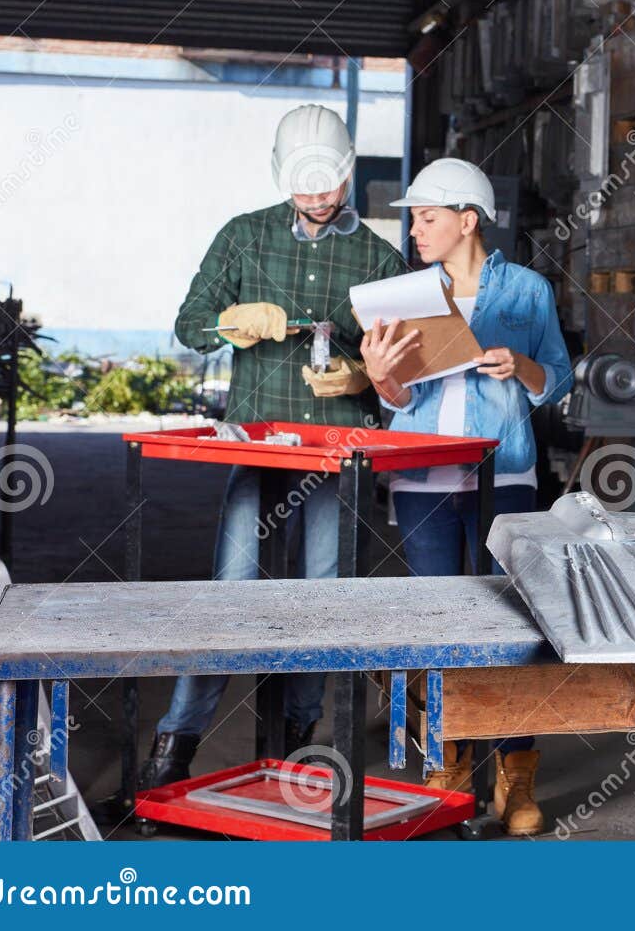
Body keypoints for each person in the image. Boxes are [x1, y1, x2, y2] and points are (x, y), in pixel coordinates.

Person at [141, 104, 406, 788]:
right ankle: (175, 745)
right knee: (232, 591)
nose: (317, 198)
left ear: (348, 171)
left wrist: (364, 375)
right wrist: (227, 322)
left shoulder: (380, 259)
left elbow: (406, 363)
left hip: (337, 452)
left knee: (323, 596)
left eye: (329, 185)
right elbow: (189, 325)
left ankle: (294, 740)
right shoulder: (244, 237)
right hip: (260, 446)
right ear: (281, 176)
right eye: (303, 186)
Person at [359, 156, 571, 836]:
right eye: (415, 220)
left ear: (468, 220)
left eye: (427, 217)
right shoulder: (406, 294)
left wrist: (522, 365)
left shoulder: (527, 291)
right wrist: (379, 376)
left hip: (502, 474)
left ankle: (515, 773)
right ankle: (447, 765)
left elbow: (558, 379)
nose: (415, 230)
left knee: (511, 624)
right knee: (439, 620)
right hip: (422, 476)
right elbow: (398, 398)